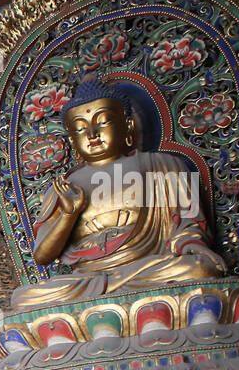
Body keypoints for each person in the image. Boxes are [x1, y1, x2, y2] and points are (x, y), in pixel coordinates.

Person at [12, 77, 226, 310]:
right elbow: (42, 255)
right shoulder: (64, 187)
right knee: (24, 297)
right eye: (81, 128)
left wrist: (194, 246)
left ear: (128, 126)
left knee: (199, 269)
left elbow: (189, 224)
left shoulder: (163, 165)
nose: (92, 134)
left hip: (146, 270)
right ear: (73, 139)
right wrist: (68, 214)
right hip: (87, 282)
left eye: (103, 122)